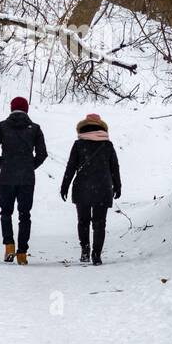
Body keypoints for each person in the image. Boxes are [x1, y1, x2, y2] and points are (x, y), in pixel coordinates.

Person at [0, 96, 47, 265]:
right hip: (27, 179)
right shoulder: (35, 128)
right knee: (24, 215)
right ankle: (22, 253)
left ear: (11, 108)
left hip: (7, 176)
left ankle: (9, 246)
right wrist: (30, 166)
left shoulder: (2, 126)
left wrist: (2, 164)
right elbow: (43, 154)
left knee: (6, 213)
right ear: (26, 109)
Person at [59, 113, 121, 265]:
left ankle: (85, 251)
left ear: (83, 127)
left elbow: (71, 167)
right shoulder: (108, 145)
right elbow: (114, 168)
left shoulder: (78, 144)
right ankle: (97, 255)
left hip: (82, 187)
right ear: (101, 127)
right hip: (103, 187)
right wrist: (117, 186)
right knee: (100, 223)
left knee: (83, 221)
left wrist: (64, 186)